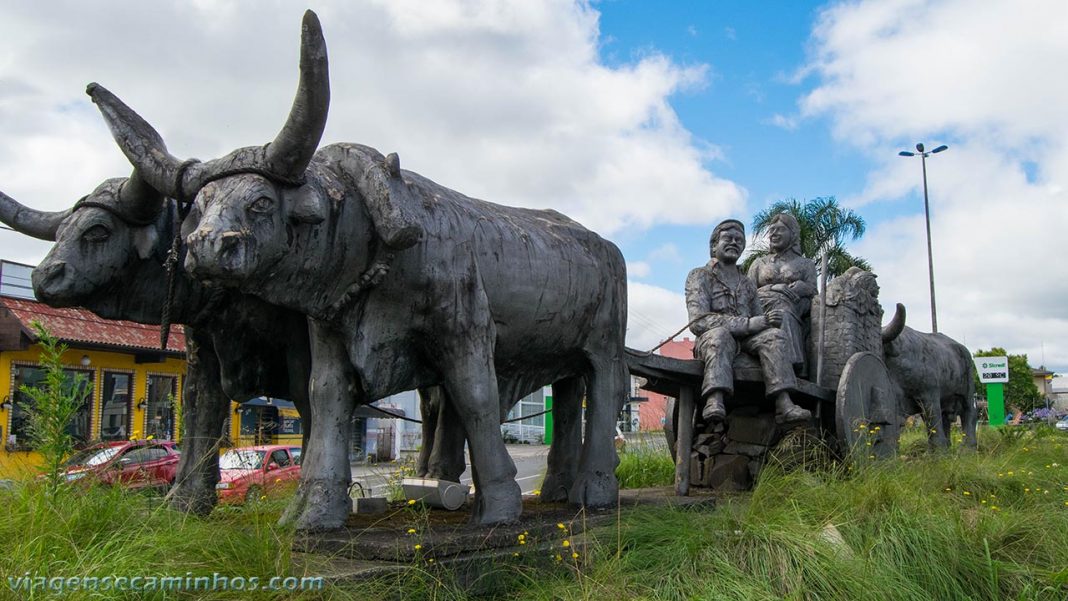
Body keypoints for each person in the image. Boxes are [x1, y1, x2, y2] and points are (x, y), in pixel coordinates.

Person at [685, 219, 812, 424]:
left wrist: (769, 321)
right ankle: (714, 399)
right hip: (713, 339)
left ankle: (784, 403)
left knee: (774, 336)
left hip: (746, 341)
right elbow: (698, 322)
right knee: (720, 334)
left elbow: (758, 318)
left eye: (739, 240)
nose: (734, 243)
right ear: (714, 245)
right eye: (728, 238)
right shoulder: (699, 276)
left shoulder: (747, 283)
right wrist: (748, 324)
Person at [747, 213, 817, 371]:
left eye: (779, 230)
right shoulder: (759, 263)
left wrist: (803, 287)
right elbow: (747, 293)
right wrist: (773, 287)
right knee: (779, 312)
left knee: (783, 313)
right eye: (771, 230)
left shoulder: (806, 264)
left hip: (793, 308)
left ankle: (790, 362)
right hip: (761, 308)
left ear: (793, 234)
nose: (773, 234)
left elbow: (814, 293)